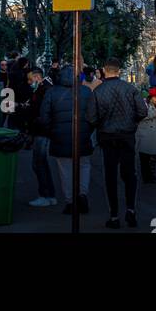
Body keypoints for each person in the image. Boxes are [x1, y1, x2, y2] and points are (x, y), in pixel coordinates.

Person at [88, 57, 147, 229]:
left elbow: (91, 117)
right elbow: (142, 111)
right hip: (127, 135)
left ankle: (114, 215)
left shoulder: (98, 91)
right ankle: (131, 210)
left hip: (107, 136)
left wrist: (101, 123)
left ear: (104, 70)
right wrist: (132, 121)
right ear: (119, 71)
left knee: (110, 176)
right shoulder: (130, 88)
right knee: (130, 174)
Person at [35, 64, 95, 214]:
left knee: (65, 170)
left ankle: (70, 200)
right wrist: (88, 130)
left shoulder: (52, 92)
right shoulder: (86, 92)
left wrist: (53, 132)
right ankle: (82, 194)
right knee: (84, 166)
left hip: (60, 137)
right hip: (82, 136)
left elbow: (44, 117)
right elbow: (94, 116)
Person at [25, 67, 56, 207]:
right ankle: (49, 194)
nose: (29, 82)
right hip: (42, 130)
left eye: (30, 79)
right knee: (42, 164)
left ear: (37, 77)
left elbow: (41, 112)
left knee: (39, 164)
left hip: (41, 131)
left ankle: (45, 195)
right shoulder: (44, 88)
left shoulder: (44, 90)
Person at [137, 86, 156, 182]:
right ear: (150, 97)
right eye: (155, 97)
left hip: (154, 133)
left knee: (153, 157)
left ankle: (152, 175)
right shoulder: (144, 104)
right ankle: (146, 177)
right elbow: (142, 116)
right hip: (145, 133)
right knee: (145, 157)